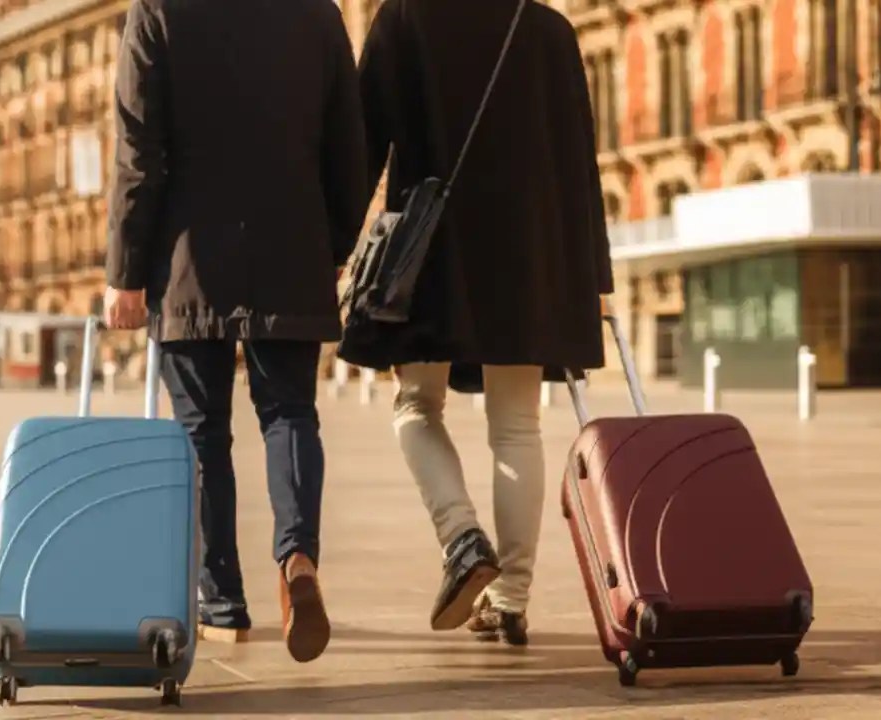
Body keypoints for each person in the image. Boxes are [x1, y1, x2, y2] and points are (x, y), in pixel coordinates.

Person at [103, 0, 369, 664]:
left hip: (188, 259)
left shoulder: (157, 12)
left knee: (201, 432)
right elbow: (349, 146)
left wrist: (126, 272)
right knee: (289, 413)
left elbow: (139, 149)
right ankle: (298, 557)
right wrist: (332, 244)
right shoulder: (318, 14)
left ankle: (221, 602)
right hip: (292, 250)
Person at [343, 0, 614, 646]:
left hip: (433, 256)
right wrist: (594, 275)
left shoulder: (403, 19)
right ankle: (511, 597)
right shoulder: (549, 29)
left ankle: (461, 536)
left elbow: (360, 152)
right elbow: (582, 163)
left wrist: (327, 244)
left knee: (415, 405)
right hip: (530, 260)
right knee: (517, 424)